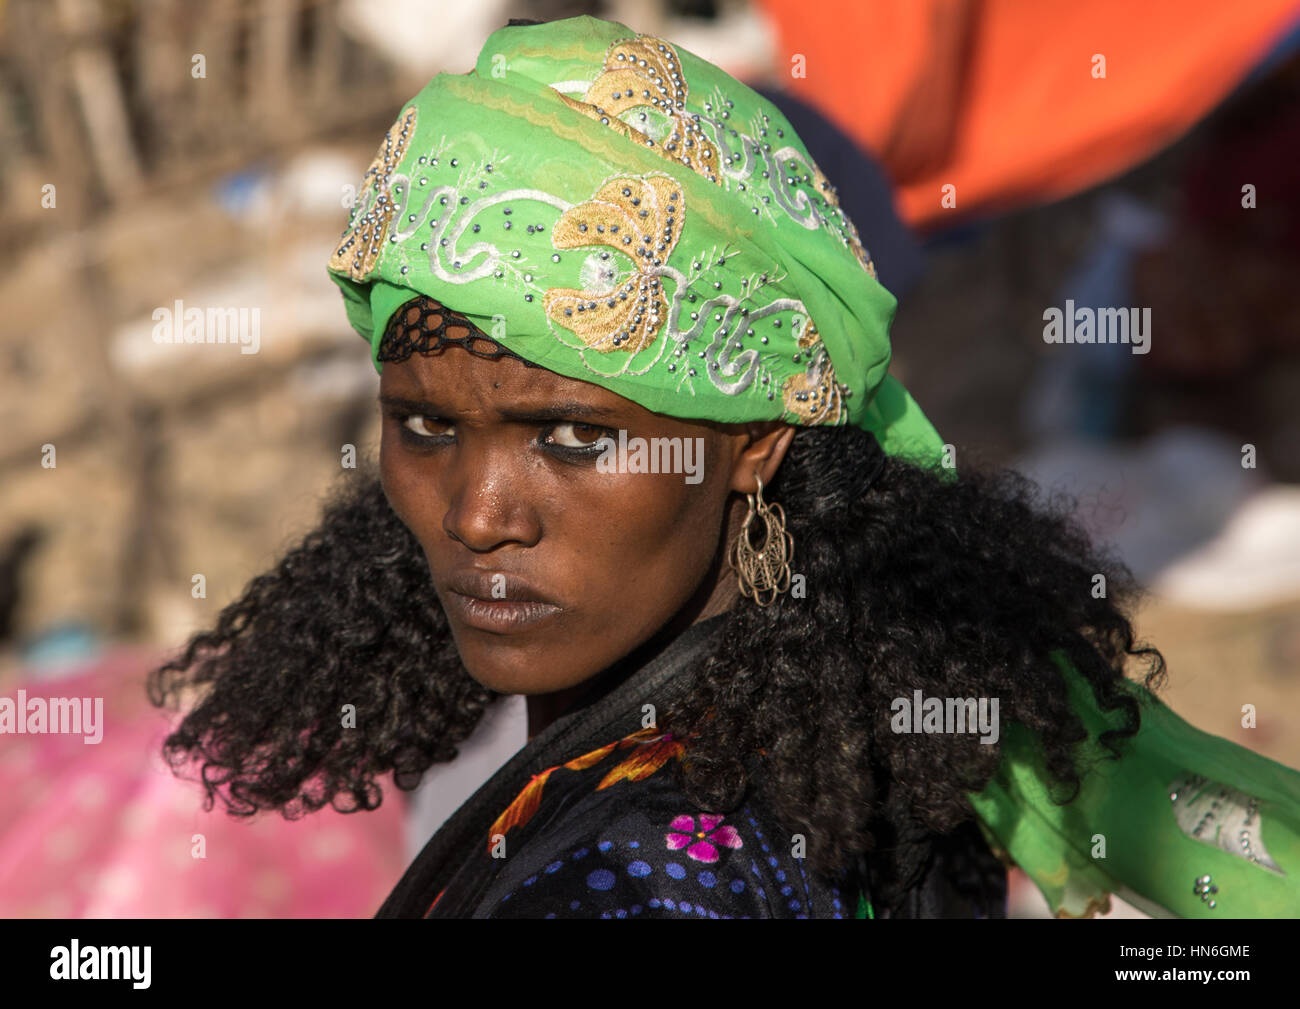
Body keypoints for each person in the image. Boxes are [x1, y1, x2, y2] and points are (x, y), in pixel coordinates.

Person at [147, 14, 1300, 919]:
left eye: (573, 437)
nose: (478, 514)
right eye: (426, 428)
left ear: (753, 439)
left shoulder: (629, 879)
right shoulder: (871, 746)